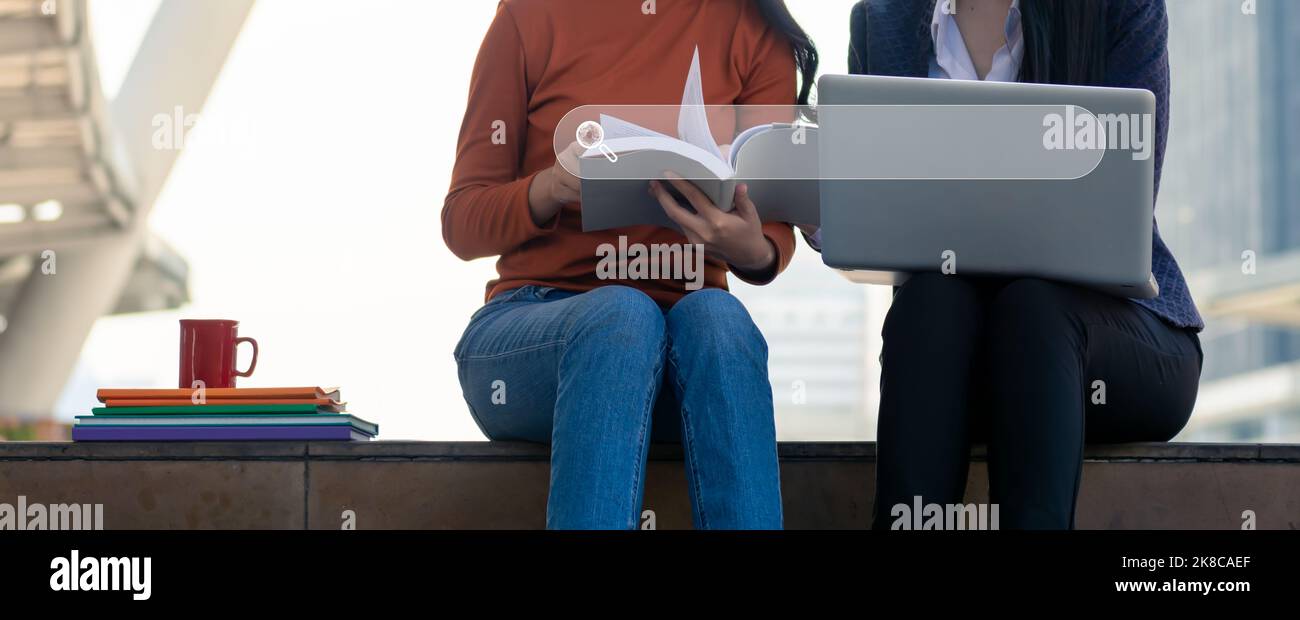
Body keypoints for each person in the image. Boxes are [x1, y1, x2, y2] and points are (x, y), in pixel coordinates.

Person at [803, 0, 1203, 529]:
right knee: (931, 299)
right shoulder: (883, 20)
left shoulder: (1120, 9)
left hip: (1106, 344)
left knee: (1032, 307)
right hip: (955, 359)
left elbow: (1123, 202)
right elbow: (876, 209)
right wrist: (821, 208)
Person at [442, 0, 819, 530]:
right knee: (623, 314)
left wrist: (746, 246)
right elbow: (462, 221)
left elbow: (773, 229)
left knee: (721, 319)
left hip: (685, 359)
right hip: (531, 339)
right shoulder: (530, 14)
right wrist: (547, 188)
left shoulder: (754, 28)